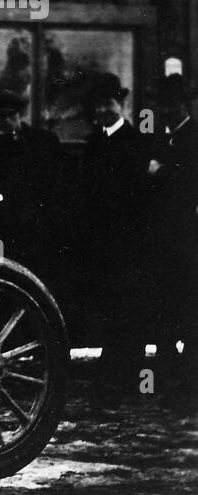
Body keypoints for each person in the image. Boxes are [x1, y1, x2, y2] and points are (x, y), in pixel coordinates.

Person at [74, 73, 151, 383]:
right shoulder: (94, 142)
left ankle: (129, 366)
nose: (104, 110)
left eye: (109, 104)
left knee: (128, 302)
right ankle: (112, 361)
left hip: (127, 237)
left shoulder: (136, 141)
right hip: (100, 236)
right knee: (106, 300)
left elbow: (138, 194)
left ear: (121, 104)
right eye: (99, 105)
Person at [0, 89, 62, 277]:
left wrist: (17, 140)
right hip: (1, 222)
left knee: (33, 271)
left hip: (31, 222)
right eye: (1, 117)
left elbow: (48, 179)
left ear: (19, 115)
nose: (6, 121)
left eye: (11, 116)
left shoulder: (41, 140)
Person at [144, 74, 198, 378]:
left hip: (188, 234)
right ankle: (167, 363)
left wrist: (162, 170)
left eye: (173, 104)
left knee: (188, 298)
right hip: (163, 234)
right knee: (164, 298)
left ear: (184, 104)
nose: (168, 109)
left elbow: (190, 181)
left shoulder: (194, 135)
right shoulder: (160, 138)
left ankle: (190, 366)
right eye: (164, 104)